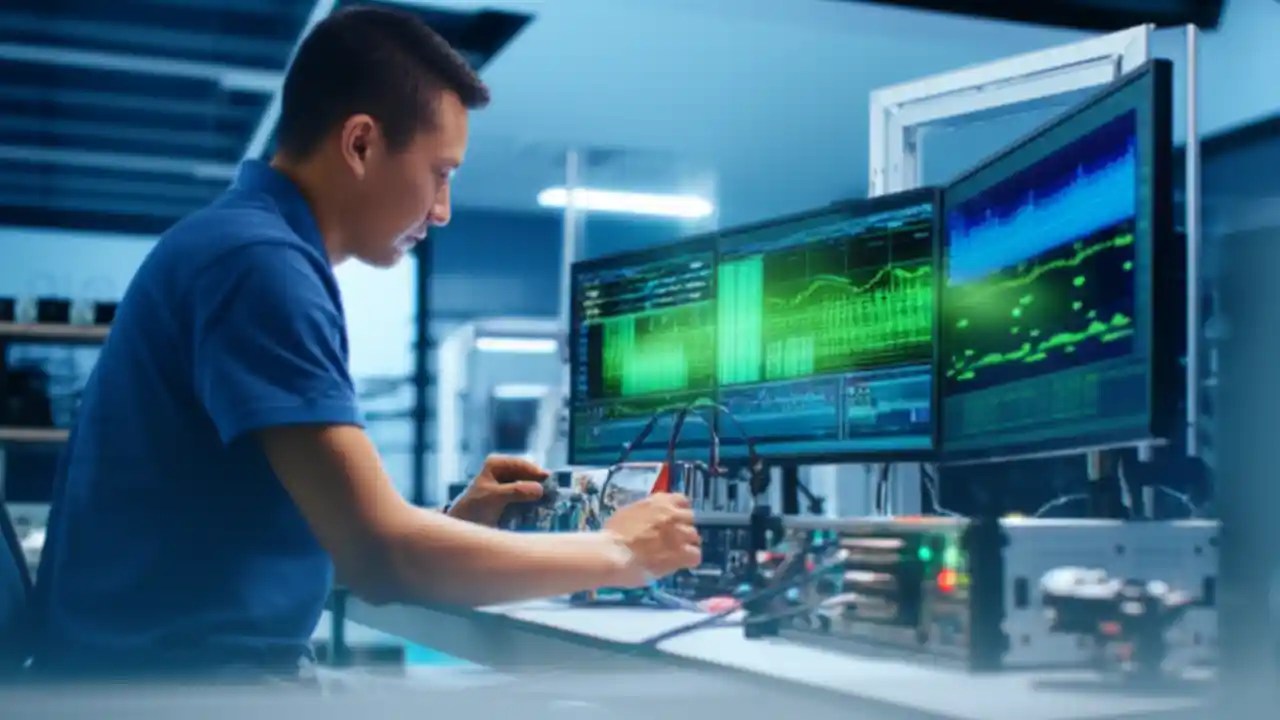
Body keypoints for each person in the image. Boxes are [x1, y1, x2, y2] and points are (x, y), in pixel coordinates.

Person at [31, 5, 701, 679]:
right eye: (440, 173)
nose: (442, 210)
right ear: (360, 144)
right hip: (175, 689)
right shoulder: (259, 264)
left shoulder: (238, 243)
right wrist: (620, 552)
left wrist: (449, 523)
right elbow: (380, 558)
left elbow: (335, 535)